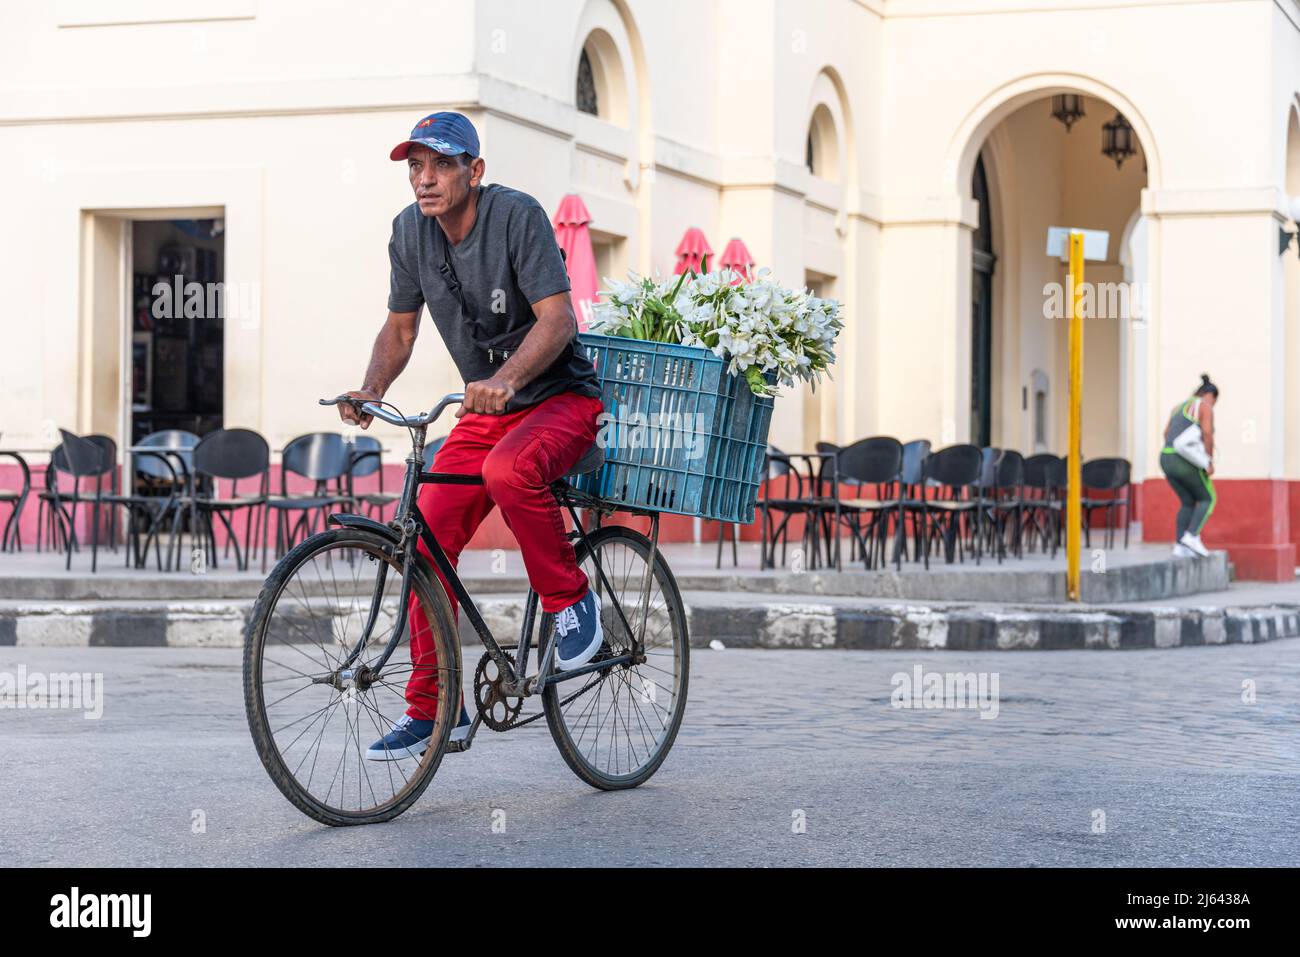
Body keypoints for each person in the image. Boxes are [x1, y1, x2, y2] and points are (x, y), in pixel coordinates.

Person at [336, 112, 608, 761]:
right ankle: (436, 709)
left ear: (474, 171)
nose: (424, 179)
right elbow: (400, 331)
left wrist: (508, 379)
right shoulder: (409, 232)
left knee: (509, 470)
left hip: (561, 398)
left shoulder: (518, 216)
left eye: (440, 165)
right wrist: (371, 390)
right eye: (415, 167)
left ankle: (572, 603)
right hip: (487, 411)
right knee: (424, 534)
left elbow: (559, 319)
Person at [1160, 374, 1218, 558]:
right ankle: (1192, 536)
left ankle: (1180, 545)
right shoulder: (1204, 406)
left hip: (1165, 458)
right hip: (1183, 461)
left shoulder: (1178, 407)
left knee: (1187, 502)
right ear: (1211, 396)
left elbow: (1166, 433)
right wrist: (1208, 460)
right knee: (1208, 498)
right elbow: (1207, 433)